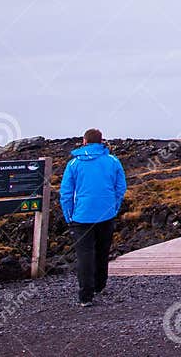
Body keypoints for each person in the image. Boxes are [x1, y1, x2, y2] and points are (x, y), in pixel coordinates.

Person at [59, 128, 127, 307]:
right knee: (103, 251)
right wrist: (114, 207)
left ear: (84, 141)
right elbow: (120, 187)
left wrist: (69, 216)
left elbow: (66, 193)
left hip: (81, 217)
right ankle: (99, 285)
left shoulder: (74, 164)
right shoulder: (112, 161)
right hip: (106, 214)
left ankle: (86, 296)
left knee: (85, 254)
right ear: (101, 141)